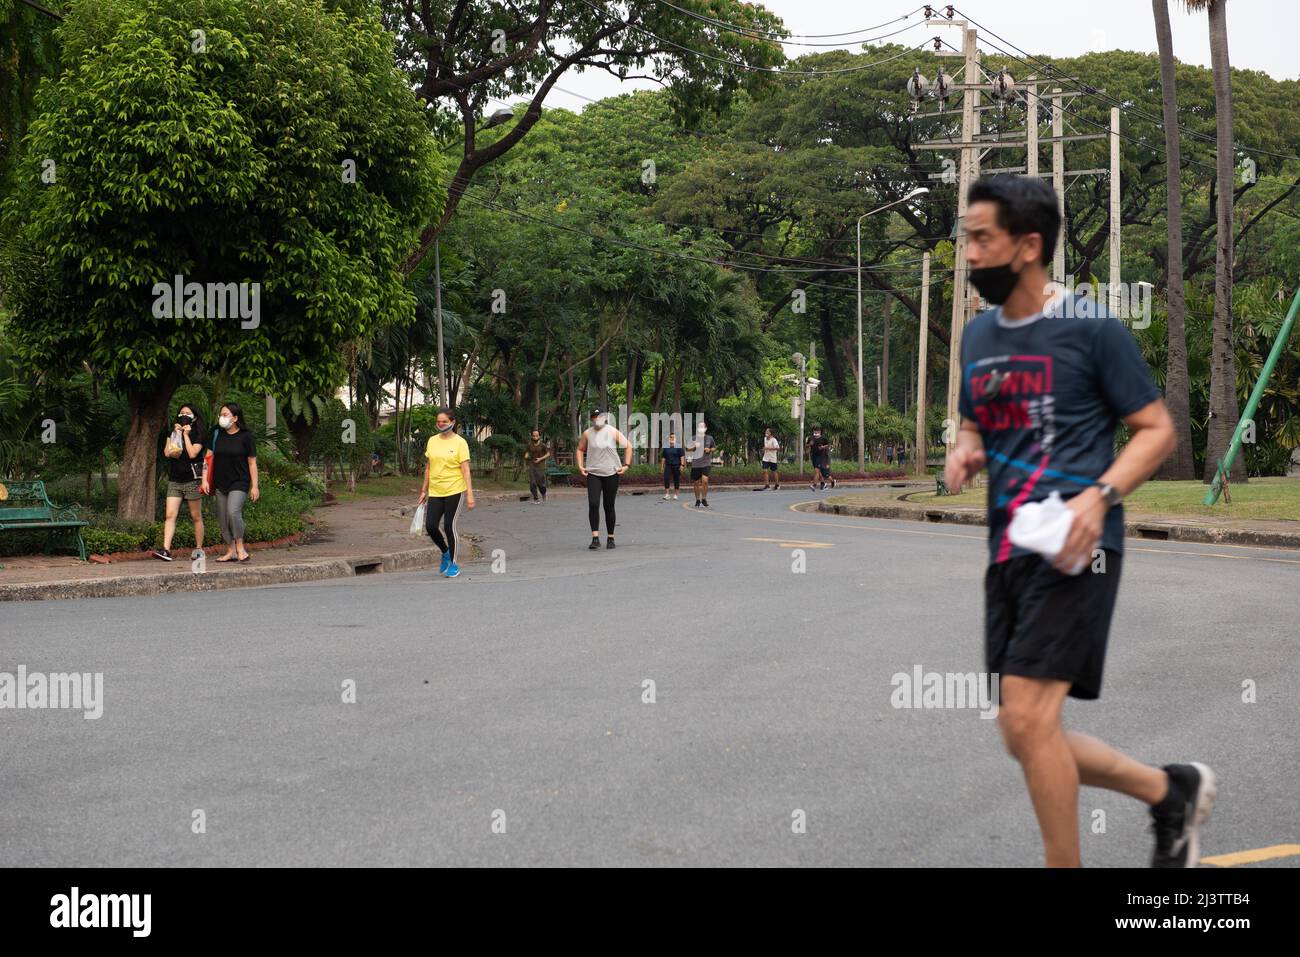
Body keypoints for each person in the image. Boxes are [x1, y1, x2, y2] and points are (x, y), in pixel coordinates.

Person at [945, 173, 1211, 868]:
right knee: (1021, 730)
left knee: (1030, 720)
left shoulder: (1091, 327)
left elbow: (1156, 431)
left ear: (1029, 245)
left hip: (1078, 545)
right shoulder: (977, 337)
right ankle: (1169, 791)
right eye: (965, 236)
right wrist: (967, 448)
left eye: (981, 238)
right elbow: (975, 419)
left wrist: (1097, 496)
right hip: (1008, 547)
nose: (967, 252)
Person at [418, 408, 476, 577]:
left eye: (444, 421)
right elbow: (428, 468)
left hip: (454, 490)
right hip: (436, 490)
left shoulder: (460, 443)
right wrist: (424, 490)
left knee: (449, 526)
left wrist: (470, 494)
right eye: (438, 421)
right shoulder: (432, 441)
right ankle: (445, 552)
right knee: (430, 526)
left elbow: (465, 470)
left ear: (452, 422)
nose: (441, 424)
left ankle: (454, 563)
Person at [153, 403, 206, 561]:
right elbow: (168, 453)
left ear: (194, 417)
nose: (184, 415)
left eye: (187, 413)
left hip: (192, 480)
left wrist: (186, 435)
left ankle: (198, 549)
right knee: (169, 515)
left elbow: (192, 453)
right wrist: (176, 434)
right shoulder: (174, 431)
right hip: (175, 479)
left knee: (195, 515)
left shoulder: (199, 433)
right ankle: (166, 549)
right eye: (181, 412)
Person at [576, 408, 630, 549]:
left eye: (600, 417)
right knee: (593, 504)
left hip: (612, 473)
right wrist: (581, 466)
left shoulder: (612, 431)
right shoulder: (587, 433)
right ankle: (595, 538)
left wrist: (626, 465)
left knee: (608, 505)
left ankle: (610, 538)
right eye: (594, 417)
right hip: (593, 473)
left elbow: (628, 446)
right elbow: (580, 449)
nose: (597, 419)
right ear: (592, 419)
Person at [211, 402, 258, 563]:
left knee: (233, 512)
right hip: (220, 482)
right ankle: (230, 550)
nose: (222, 418)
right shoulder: (217, 434)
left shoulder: (246, 437)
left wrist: (255, 486)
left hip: (239, 481)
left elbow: (252, 462)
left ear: (235, 418)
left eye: (225, 415)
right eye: (221, 414)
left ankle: (240, 545)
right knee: (223, 520)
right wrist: (204, 479)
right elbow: (208, 457)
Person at [685, 421, 717, 508]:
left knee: (705, 481)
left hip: (706, 463)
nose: (701, 428)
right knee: (696, 483)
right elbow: (687, 449)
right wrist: (694, 446)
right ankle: (698, 500)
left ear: (705, 428)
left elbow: (714, 447)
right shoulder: (694, 438)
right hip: (696, 464)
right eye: (699, 427)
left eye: (703, 427)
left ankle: (704, 498)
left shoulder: (710, 438)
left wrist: (709, 450)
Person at [524, 429, 551, 504]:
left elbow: (548, 454)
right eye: (534, 436)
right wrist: (526, 455)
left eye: (537, 436)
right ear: (532, 436)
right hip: (532, 465)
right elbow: (527, 451)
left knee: (541, 483)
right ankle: (536, 499)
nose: (535, 437)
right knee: (532, 483)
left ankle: (543, 493)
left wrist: (540, 459)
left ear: (539, 436)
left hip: (540, 466)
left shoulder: (542, 445)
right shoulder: (530, 445)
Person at [661, 431, 685, 500]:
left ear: (676, 438)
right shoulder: (666, 447)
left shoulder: (679, 447)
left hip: (677, 465)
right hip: (668, 465)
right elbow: (663, 457)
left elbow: (682, 457)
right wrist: (662, 466)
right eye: (671, 437)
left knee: (676, 479)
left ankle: (676, 494)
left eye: (673, 437)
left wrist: (682, 465)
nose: (672, 438)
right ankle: (667, 494)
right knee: (666, 478)